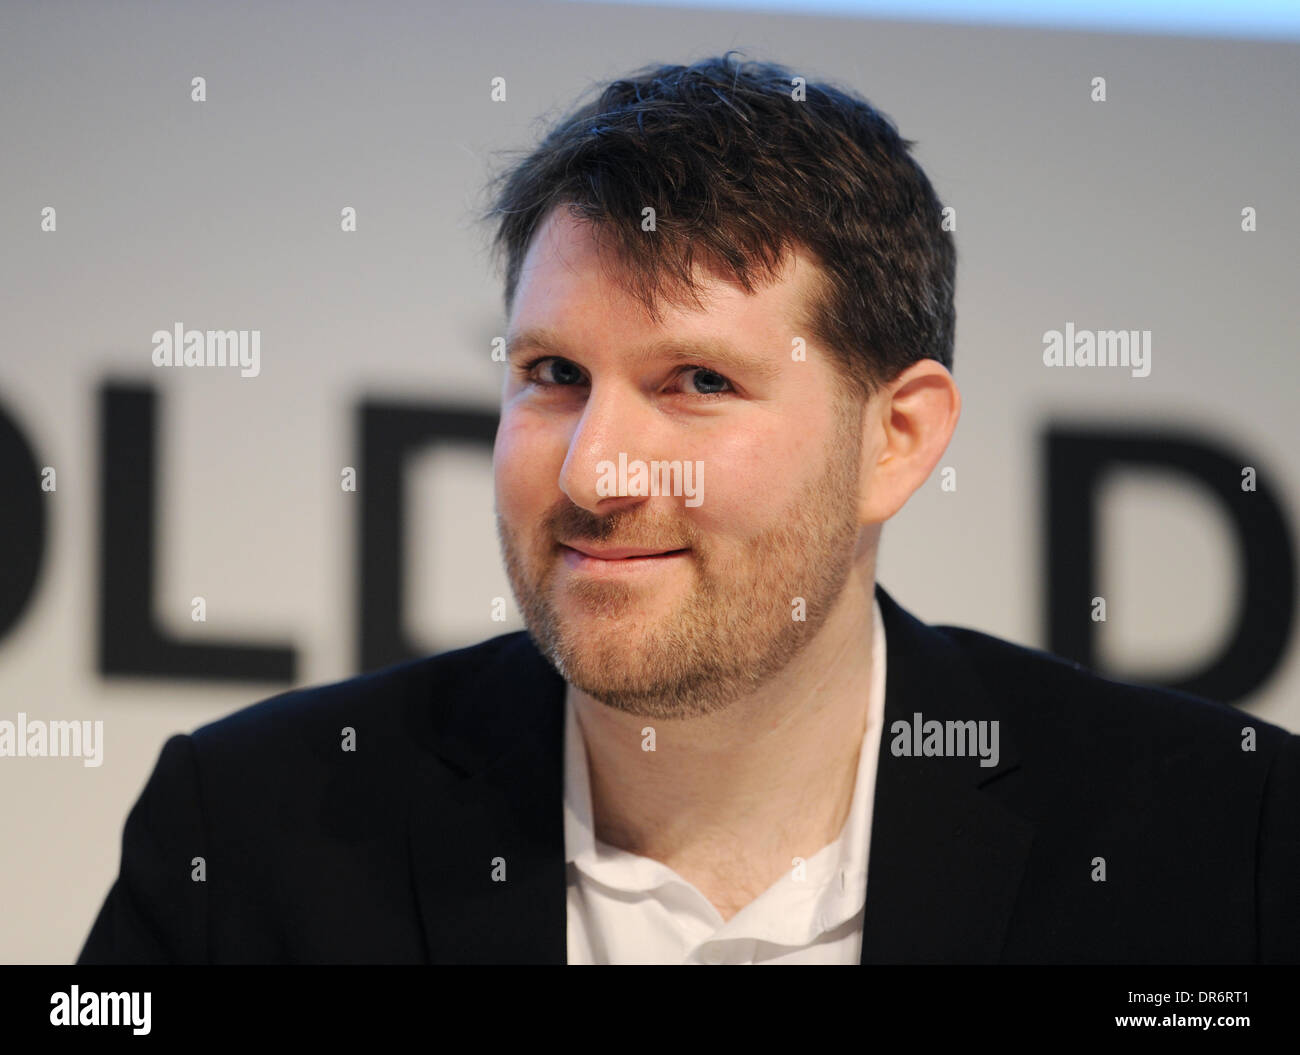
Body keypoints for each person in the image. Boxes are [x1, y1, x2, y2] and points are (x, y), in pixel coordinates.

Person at [78, 54, 1300, 965]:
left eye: (697, 382)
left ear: (898, 436)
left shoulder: (1217, 843)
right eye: (553, 376)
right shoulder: (246, 836)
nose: (596, 473)